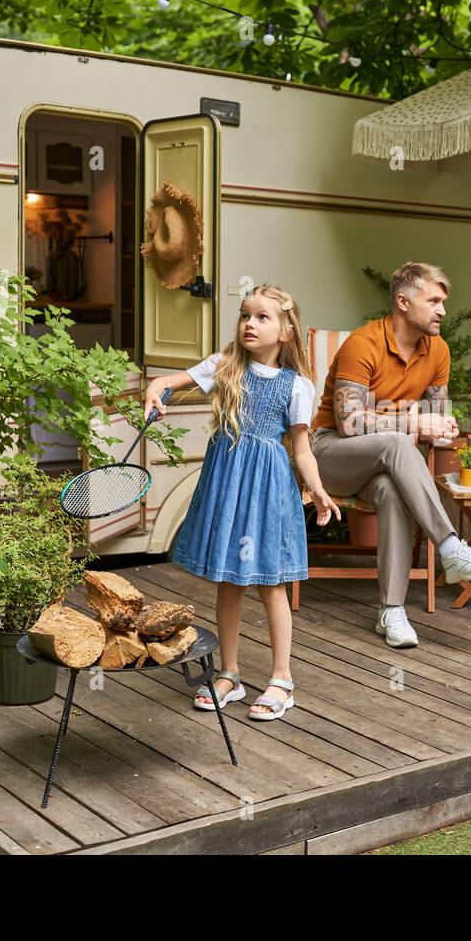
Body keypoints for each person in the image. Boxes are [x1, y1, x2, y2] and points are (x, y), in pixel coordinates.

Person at [143, 284, 340, 721]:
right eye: (245, 315)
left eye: (262, 317)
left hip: (268, 490)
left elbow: (302, 449)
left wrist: (319, 489)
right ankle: (229, 674)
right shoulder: (225, 366)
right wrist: (157, 389)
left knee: (272, 582)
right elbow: (170, 383)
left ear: (286, 331)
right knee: (229, 581)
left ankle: (282, 679)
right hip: (227, 485)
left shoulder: (297, 386)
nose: (249, 323)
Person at [310, 262, 471, 649]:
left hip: (381, 463)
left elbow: (435, 416)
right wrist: (413, 424)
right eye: (433, 300)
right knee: (400, 441)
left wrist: (442, 426)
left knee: (393, 491)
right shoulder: (362, 345)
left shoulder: (439, 350)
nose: (442, 310)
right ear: (403, 301)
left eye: (443, 302)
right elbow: (349, 422)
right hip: (330, 453)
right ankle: (451, 549)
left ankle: (391, 610)